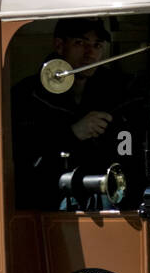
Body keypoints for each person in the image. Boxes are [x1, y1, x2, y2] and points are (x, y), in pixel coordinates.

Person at [12, 18, 134, 210]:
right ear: (60, 46)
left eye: (97, 45)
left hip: (105, 204)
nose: (90, 53)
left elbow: (127, 150)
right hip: (48, 204)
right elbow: (24, 162)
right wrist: (73, 133)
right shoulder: (27, 95)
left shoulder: (118, 90)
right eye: (80, 43)